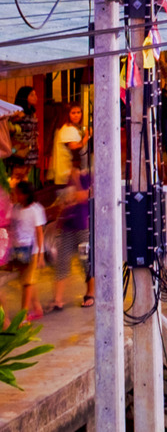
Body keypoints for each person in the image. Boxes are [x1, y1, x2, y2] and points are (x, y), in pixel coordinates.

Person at [50, 153, 93, 309]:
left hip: (83, 225)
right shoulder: (65, 180)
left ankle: (90, 293)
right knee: (62, 261)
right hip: (68, 225)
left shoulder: (87, 177)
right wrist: (59, 220)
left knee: (86, 261)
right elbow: (63, 200)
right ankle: (58, 299)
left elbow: (86, 195)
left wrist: (75, 180)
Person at [10, 181, 45, 319]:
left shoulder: (35, 210)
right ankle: (36, 308)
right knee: (26, 281)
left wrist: (40, 254)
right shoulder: (16, 209)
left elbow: (39, 233)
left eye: (17, 193)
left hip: (32, 251)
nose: (14, 195)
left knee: (27, 283)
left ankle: (23, 315)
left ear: (25, 195)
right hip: (19, 249)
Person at [51, 103, 85, 187]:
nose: (76, 115)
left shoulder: (73, 128)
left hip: (70, 175)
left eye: (78, 112)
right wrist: (87, 136)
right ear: (67, 114)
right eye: (73, 113)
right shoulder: (68, 129)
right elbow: (74, 147)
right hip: (67, 175)